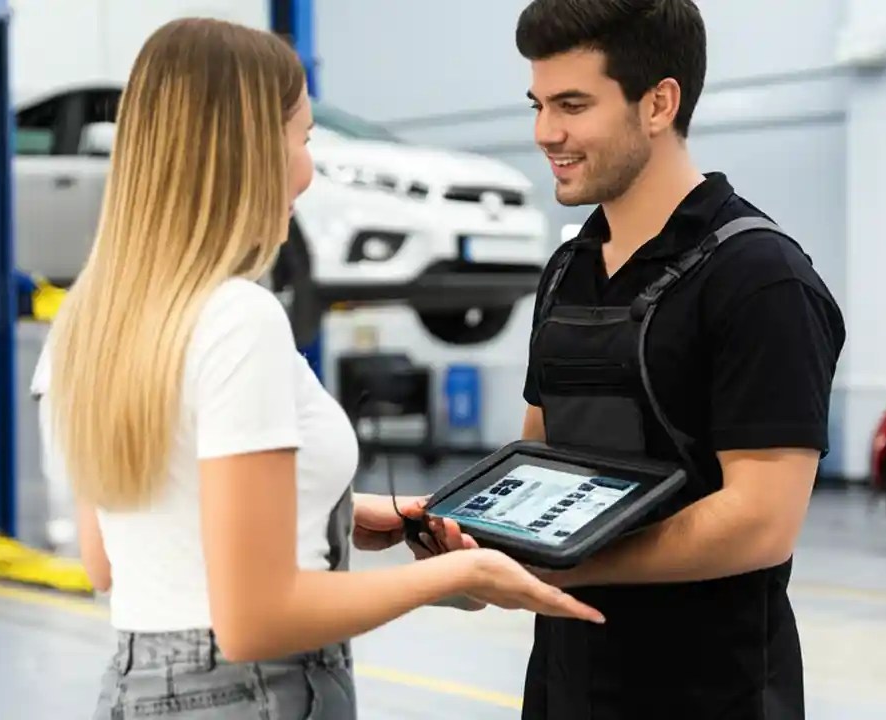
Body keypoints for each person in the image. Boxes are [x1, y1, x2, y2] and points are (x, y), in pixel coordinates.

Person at [30, 18, 603, 720]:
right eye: (303, 140)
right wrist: (459, 573)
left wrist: (330, 508)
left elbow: (111, 557)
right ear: (245, 151)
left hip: (135, 687)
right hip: (254, 694)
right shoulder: (239, 319)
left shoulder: (92, 315)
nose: (307, 170)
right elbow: (256, 618)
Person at [428, 1, 847, 718]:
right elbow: (539, 455)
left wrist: (571, 562)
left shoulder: (759, 278)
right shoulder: (567, 270)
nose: (544, 133)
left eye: (572, 104)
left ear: (658, 103)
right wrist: (473, 548)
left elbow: (760, 522)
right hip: (567, 686)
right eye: (538, 104)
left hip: (712, 692)